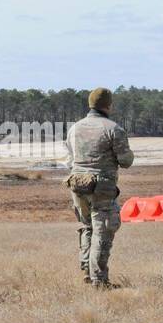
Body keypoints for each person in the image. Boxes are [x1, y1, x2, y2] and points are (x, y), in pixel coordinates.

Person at [64, 87, 134, 288]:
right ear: (108, 105)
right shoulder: (113, 129)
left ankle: (87, 271)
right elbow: (126, 160)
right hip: (101, 187)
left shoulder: (74, 128)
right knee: (102, 230)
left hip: (77, 185)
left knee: (87, 227)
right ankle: (99, 280)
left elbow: (70, 159)